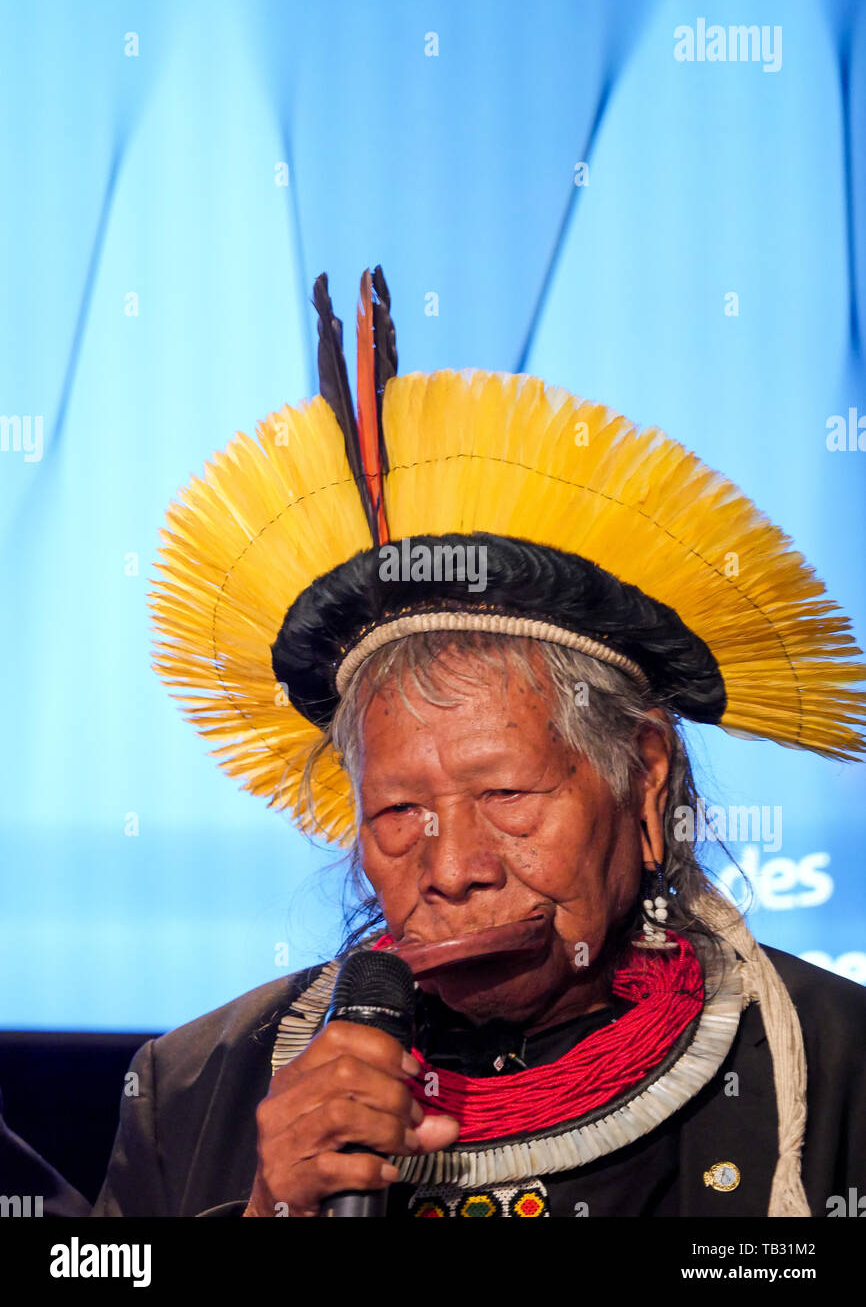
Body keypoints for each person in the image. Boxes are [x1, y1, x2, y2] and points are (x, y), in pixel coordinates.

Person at [95, 268, 866, 1218]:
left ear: (645, 781)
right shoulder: (192, 1091)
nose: (453, 868)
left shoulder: (834, 1073)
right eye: (397, 812)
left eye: (507, 798)